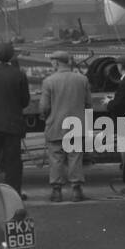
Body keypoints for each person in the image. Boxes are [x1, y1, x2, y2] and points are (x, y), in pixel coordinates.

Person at [39, 52, 91, 202]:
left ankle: (57, 191)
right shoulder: (82, 79)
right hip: (76, 126)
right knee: (75, 157)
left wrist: (45, 117)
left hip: (55, 125)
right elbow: (88, 103)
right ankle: (76, 190)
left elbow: (44, 107)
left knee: (56, 158)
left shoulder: (48, 81)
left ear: (56, 63)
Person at [0, 43, 29, 196]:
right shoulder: (19, 74)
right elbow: (25, 101)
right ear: (11, 56)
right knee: (13, 162)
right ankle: (14, 193)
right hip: (12, 124)